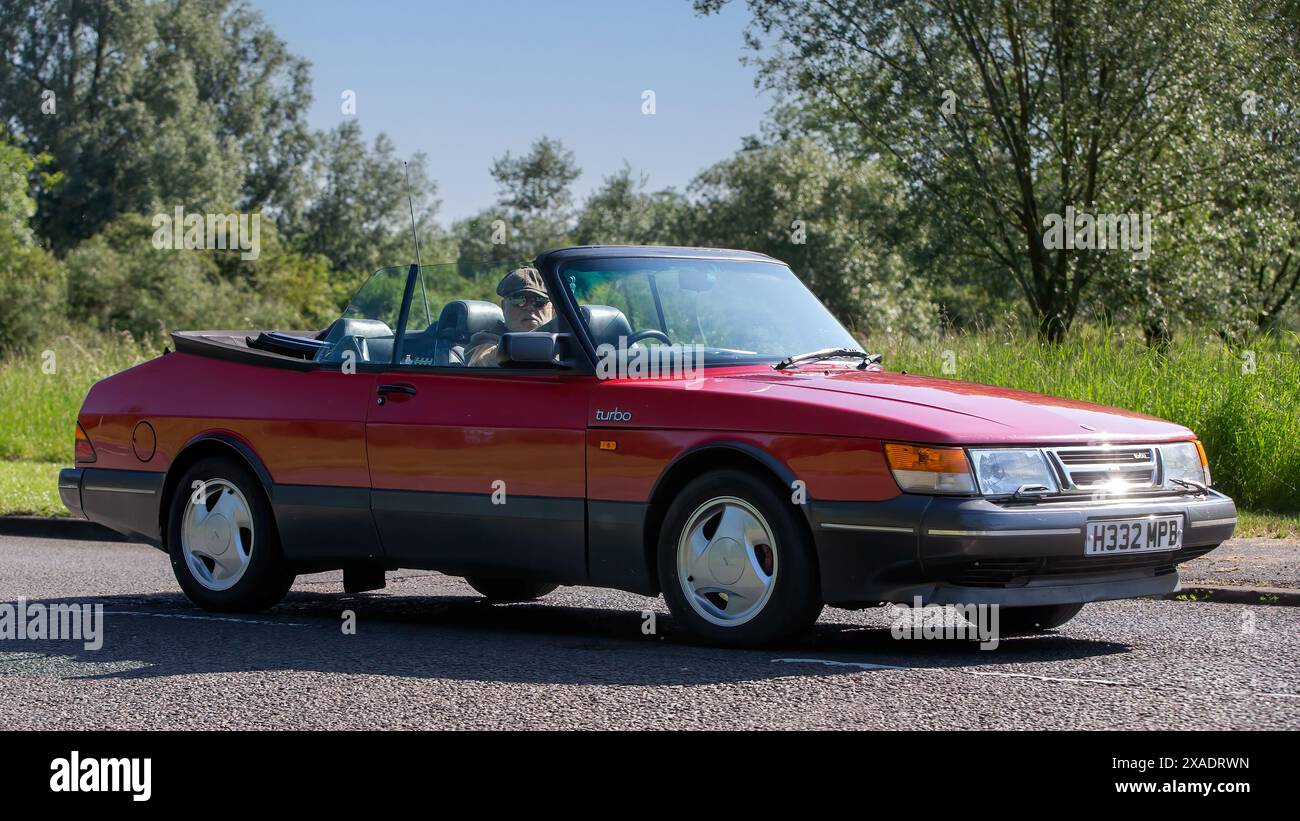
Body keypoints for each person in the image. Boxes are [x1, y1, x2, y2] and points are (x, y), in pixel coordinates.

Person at [465, 266, 555, 366]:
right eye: (519, 300)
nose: (529, 307)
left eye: (539, 300)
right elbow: (481, 361)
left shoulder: (565, 339)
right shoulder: (485, 339)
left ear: (553, 309)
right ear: (503, 307)